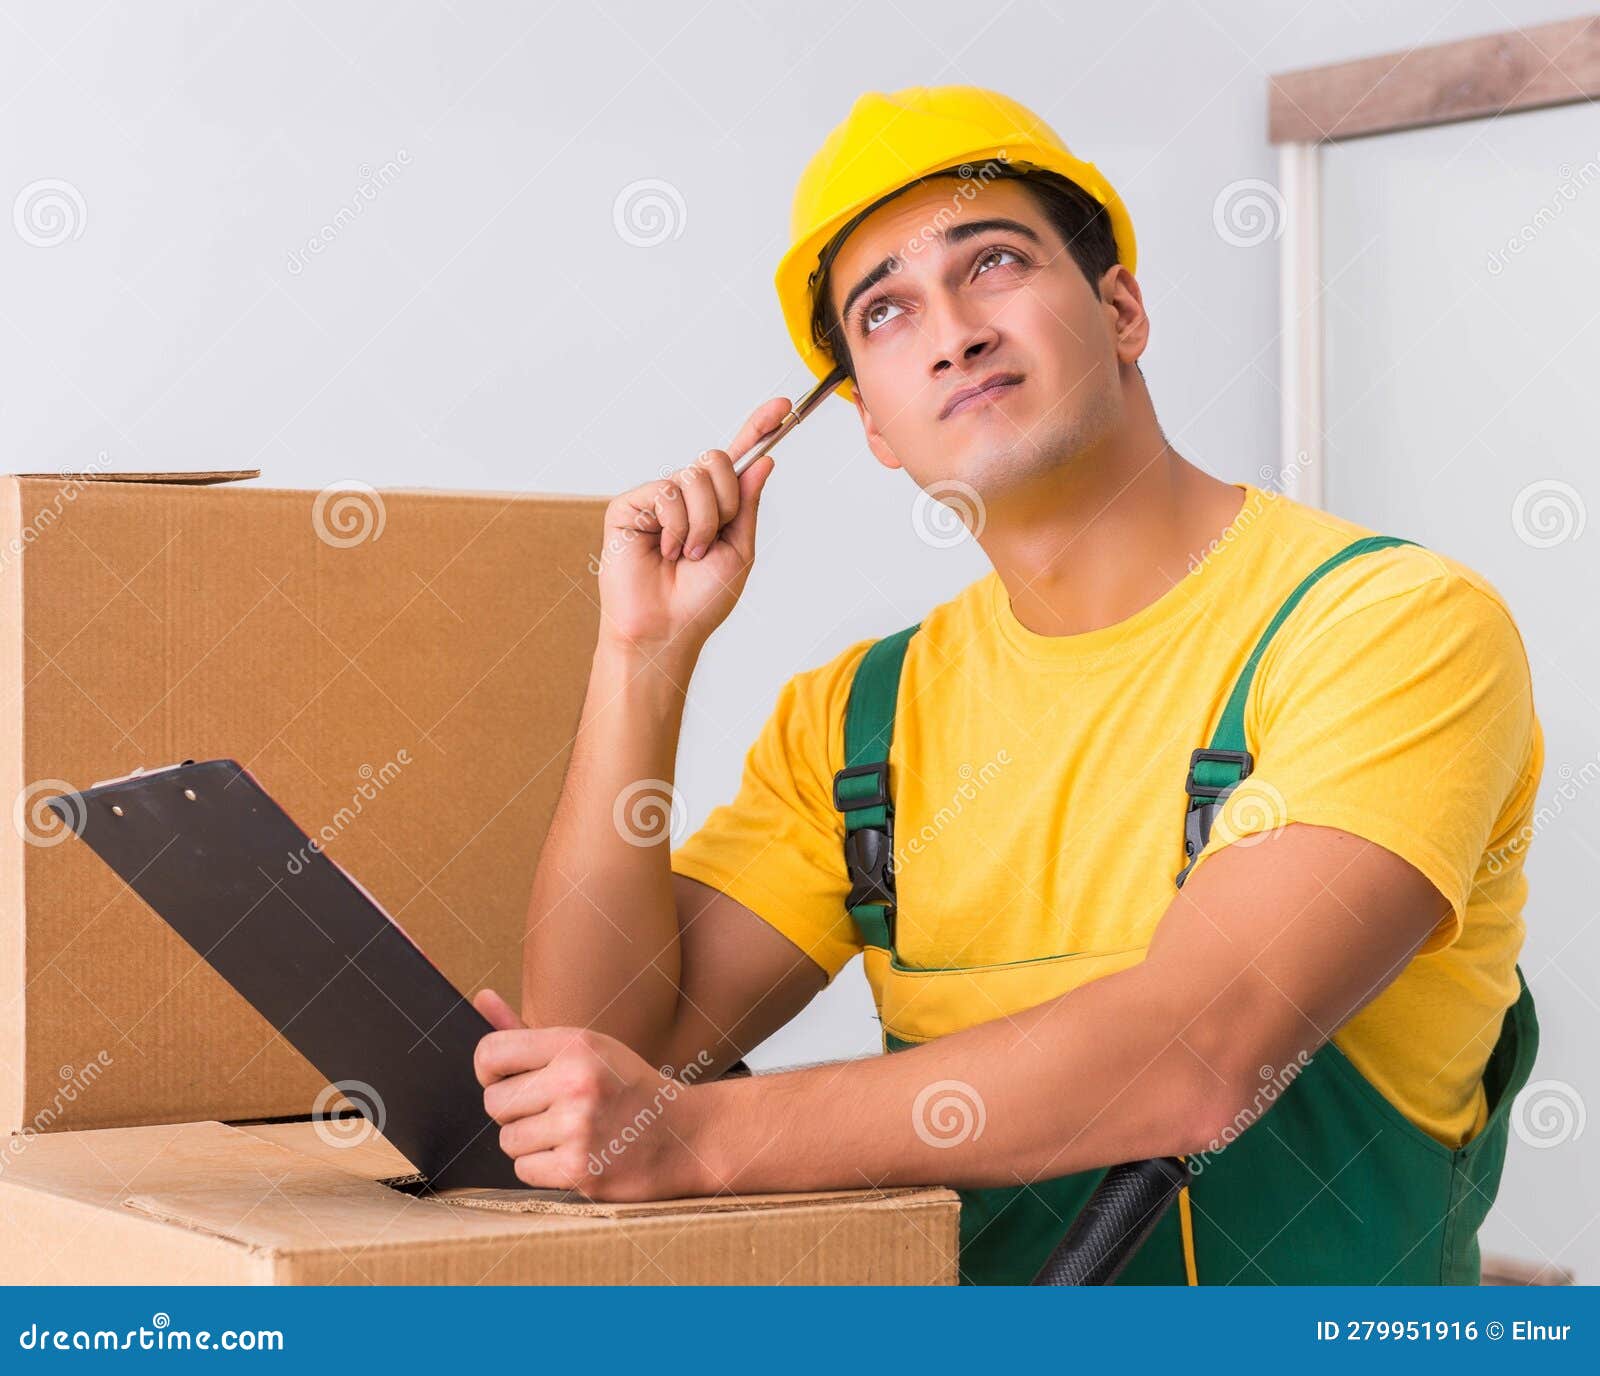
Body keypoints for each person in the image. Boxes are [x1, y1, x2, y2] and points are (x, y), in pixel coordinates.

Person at [471, 86, 1543, 1284]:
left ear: (1122, 308)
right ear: (871, 424)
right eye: (884, 313)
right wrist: (643, 658)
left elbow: (1200, 1052)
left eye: (992, 263)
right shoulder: (856, 725)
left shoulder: (1384, 628)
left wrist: (696, 1137)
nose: (953, 331)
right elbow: (603, 1062)